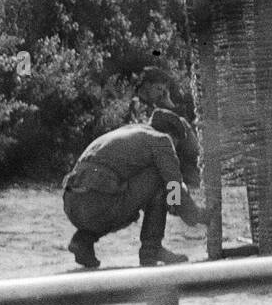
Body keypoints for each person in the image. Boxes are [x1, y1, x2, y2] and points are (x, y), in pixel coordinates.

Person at [63, 108, 205, 268]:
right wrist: (197, 215)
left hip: (71, 204)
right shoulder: (161, 139)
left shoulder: (130, 132)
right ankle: (152, 250)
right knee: (160, 177)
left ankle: (82, 241)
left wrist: (175, 205)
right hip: (100, 203)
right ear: (172, 135)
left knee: (119, 196)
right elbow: (173, 185)